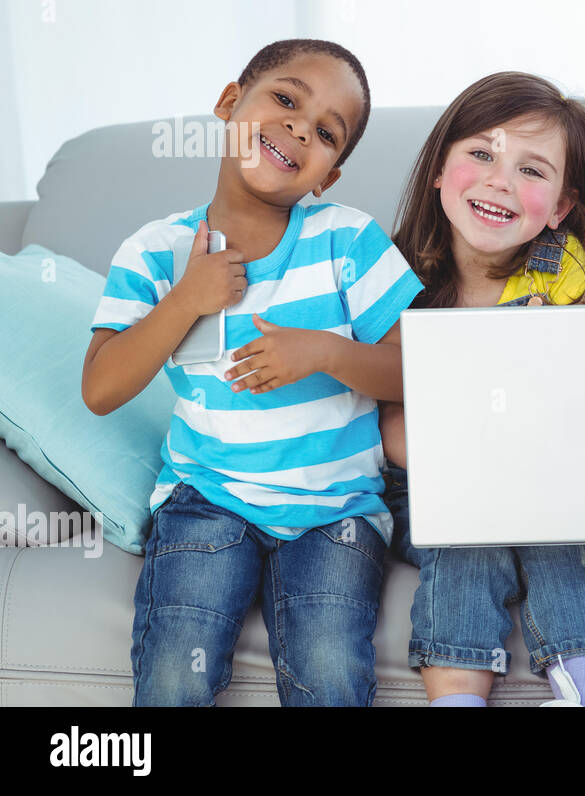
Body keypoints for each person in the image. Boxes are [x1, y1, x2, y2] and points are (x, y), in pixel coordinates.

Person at [84, 39, 423, 705]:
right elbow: (101, 388)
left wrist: (325, 353)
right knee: (175, 671)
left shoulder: (349, 240)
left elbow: (418, 370)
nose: (299, 128)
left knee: (329, 670)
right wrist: (186, 300)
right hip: (207, 496)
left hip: (337, 509)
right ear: (229, 101)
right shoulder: (154, 251)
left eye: (326, 132)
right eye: (286, 99)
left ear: (327, 177)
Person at [380, 71, 585, 706]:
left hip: (543, 473)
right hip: (434, 479)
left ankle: (581, 693)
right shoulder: (392, 281)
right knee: (466, 540)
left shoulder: (568, 282)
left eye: (531, 170)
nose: (501, 180)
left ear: (560, 207)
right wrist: (470, 470)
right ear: (439, 170)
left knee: (563, 539)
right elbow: (393, 425)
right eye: (482, 154)